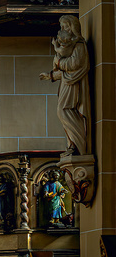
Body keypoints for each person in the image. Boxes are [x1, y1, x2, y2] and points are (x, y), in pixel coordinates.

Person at [40, 15, 91, 155]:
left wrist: (58, 62)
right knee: (63, 112)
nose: (62, 30)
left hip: (73, 84)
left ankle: (78, 147)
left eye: (65, 26)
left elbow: (75, 64)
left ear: (73, 27)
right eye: (61, 27)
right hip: (67, 82)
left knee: (64, 110)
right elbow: (65, 72)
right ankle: (72, 145)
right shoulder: (71, 45)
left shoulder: (79, 45)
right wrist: (50, 75)